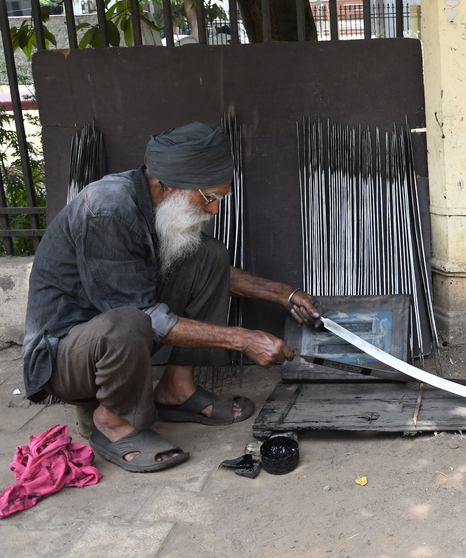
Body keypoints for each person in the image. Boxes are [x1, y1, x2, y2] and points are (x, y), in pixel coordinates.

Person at [21, 122, 320, 473]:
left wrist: (283, 293)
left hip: (113, 337)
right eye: (209, 197)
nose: (215, 210)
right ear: (171, 185)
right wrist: (245, 340)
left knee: (208, 254)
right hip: (65, 357)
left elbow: (202, 274)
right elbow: (143, 315)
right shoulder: (107, 210)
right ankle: (111, 420)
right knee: (131, 319)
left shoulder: (150, 201)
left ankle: (176, 389)